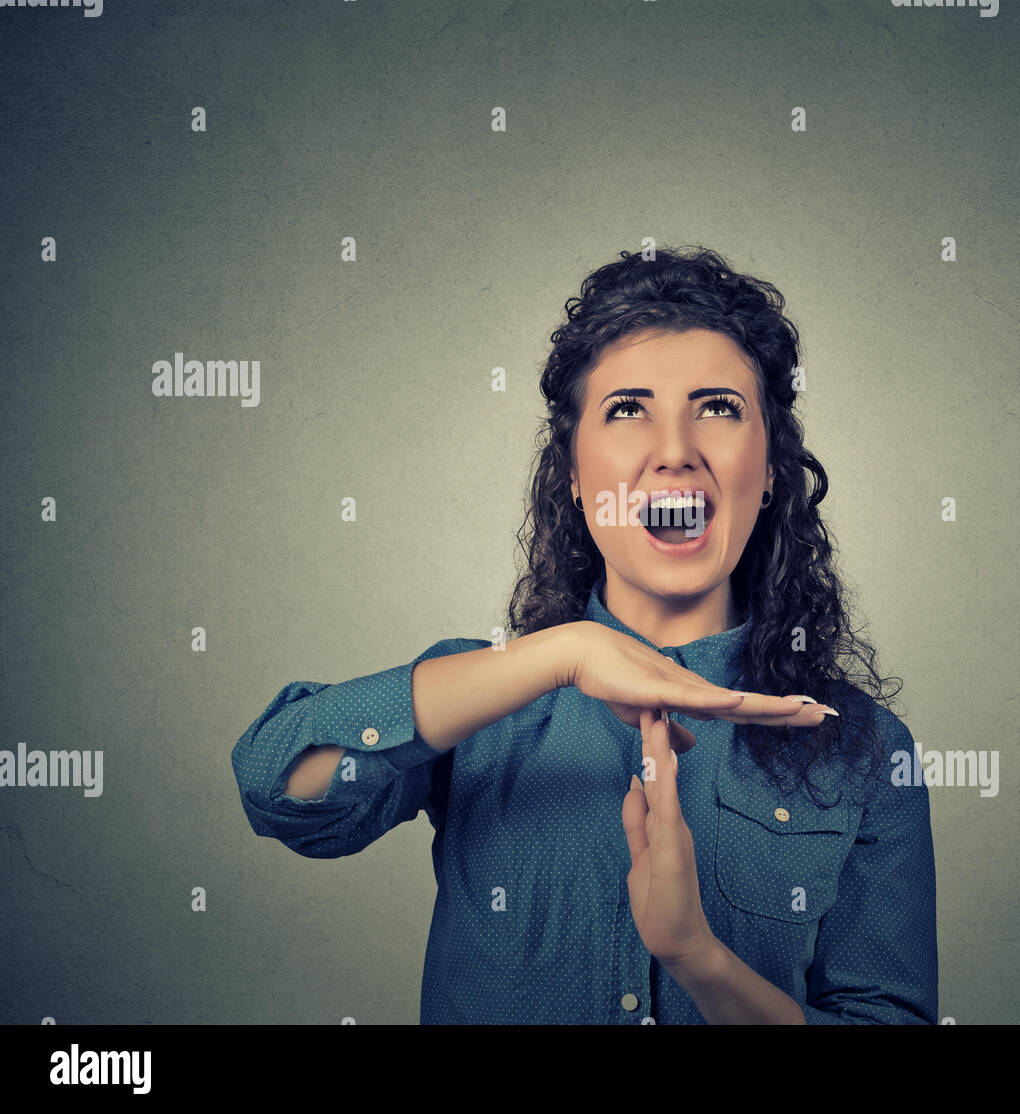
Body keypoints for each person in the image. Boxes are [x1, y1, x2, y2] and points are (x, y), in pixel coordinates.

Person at [231, 245, 937, 1024]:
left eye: (719, 407)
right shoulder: (479, 700)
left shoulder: (864, 749)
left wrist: (698, 958)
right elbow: (276, 786)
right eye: (628, 409)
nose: (675, 451)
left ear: (770, 468)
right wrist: (562, 655)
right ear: (571, 471)